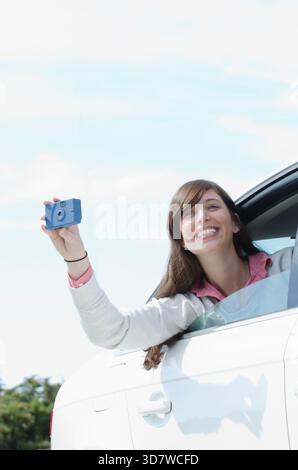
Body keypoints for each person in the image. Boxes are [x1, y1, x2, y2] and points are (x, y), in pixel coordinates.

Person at [40, 180, 294, 370]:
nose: (202, 217)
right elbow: (111, 333)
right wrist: (75, 259)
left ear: (235, 223)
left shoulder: (288, 266)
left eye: (212, 206)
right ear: (180, 238)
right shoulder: (186, 308)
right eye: (188, 214)